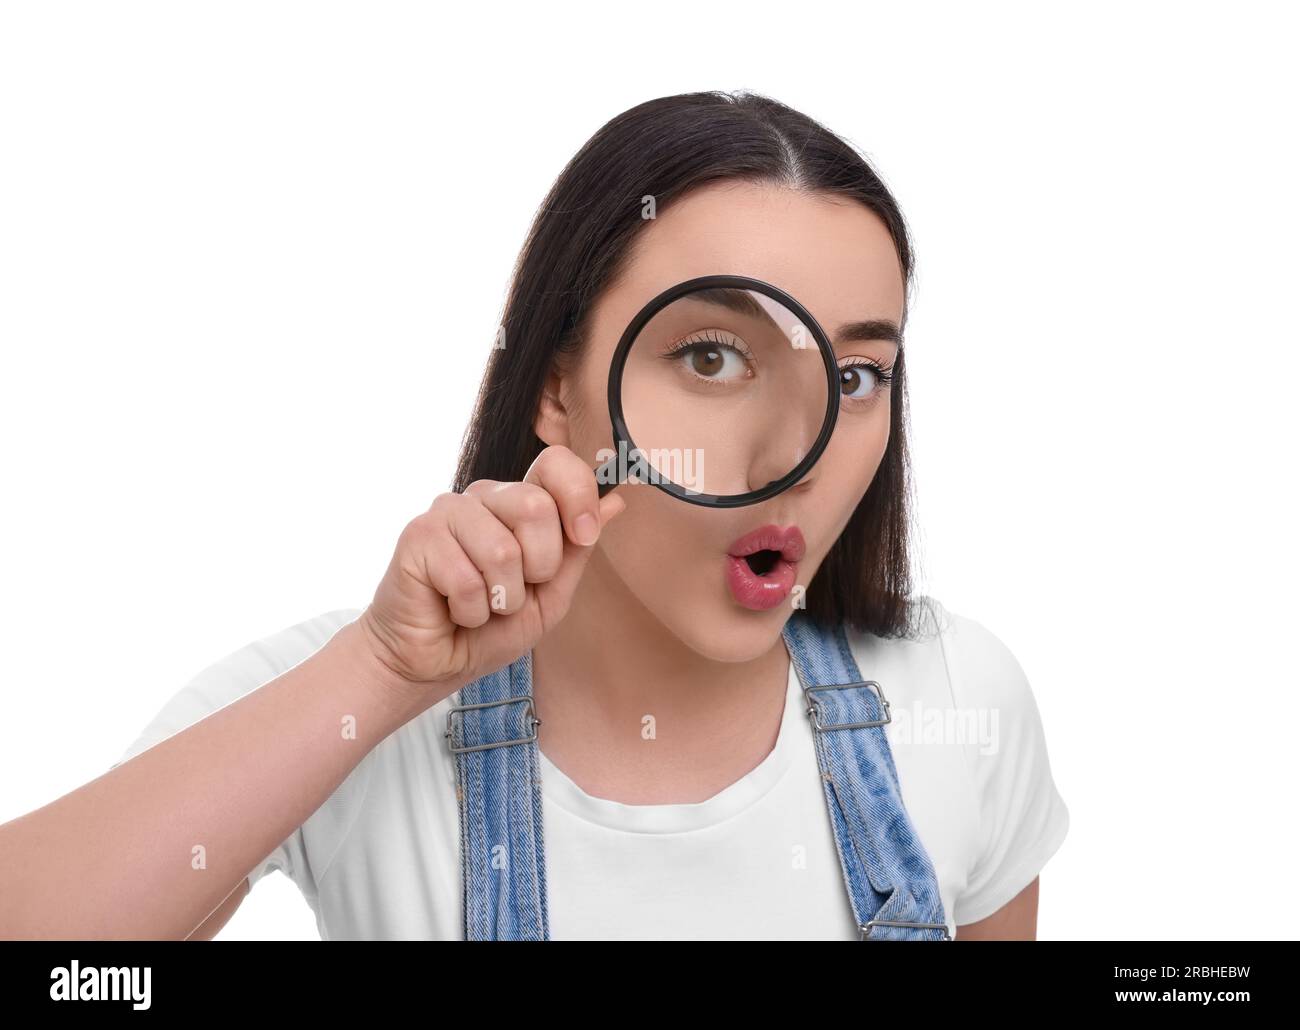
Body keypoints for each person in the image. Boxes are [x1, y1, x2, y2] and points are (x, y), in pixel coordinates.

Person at [0, 89, 1069, 941]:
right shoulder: (347, 705)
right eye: (710, 355)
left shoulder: (957, 700)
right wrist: (377, 676)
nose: (798, 456)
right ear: (557, 386)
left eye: (854, 376)